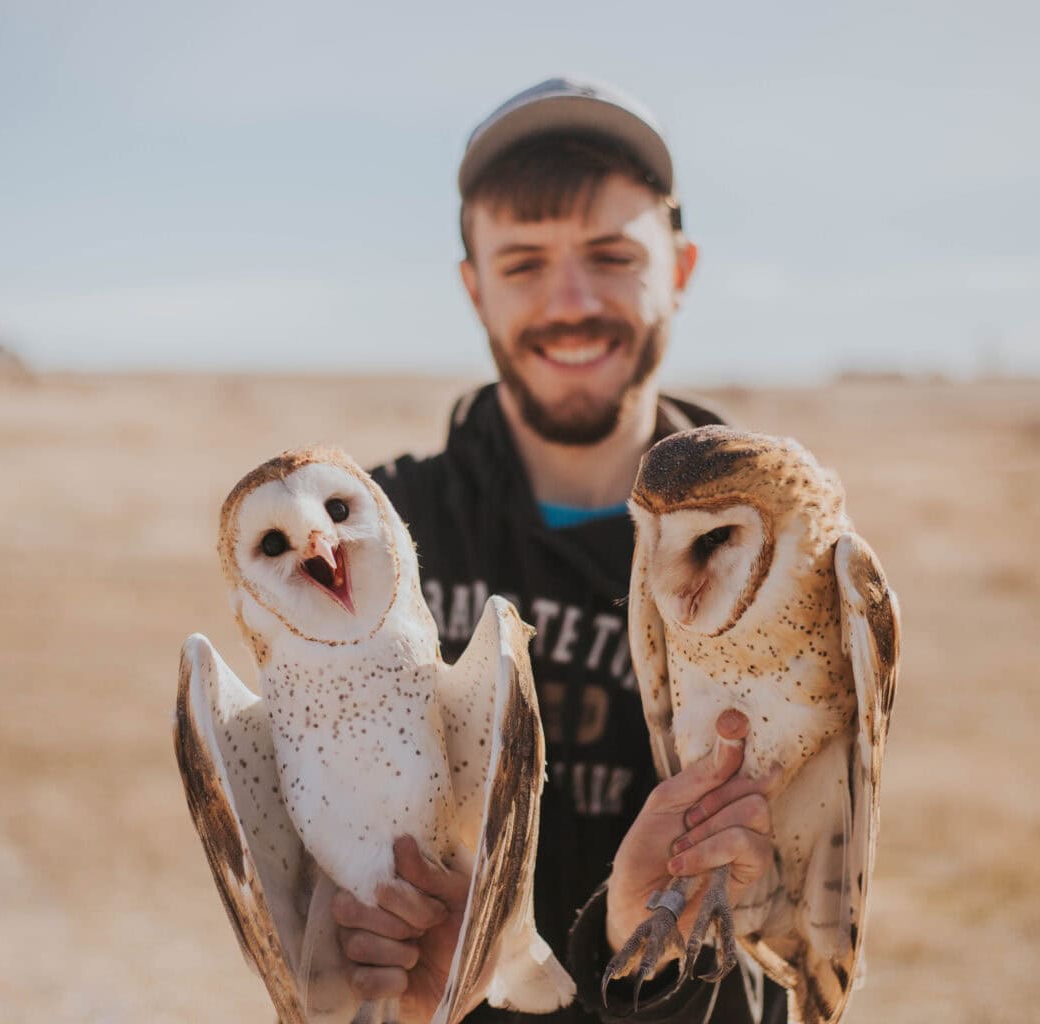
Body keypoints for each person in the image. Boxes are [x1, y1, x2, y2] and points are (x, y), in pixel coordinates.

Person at [333, 77, 788, 1024]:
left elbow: (792, 941)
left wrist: (646, 937)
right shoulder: (375, 539)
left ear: (682, 268)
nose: (571, 302)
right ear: (473, 286)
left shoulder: (769, 555)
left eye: (613, 255)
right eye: (524, 262)